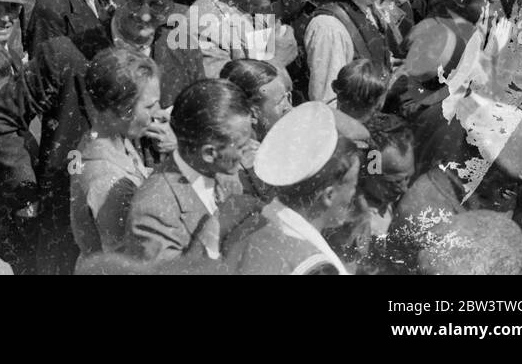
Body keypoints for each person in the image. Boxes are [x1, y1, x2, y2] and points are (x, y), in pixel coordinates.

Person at [122, 78, 251, 267]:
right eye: (241, 146)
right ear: (209, 153)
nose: (249, 150)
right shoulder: (153, 211)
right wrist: (213, 231)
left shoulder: (223, 169)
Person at [225, 102, 360, 275]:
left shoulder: (245, 223)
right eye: (353, 186)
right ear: (329, 195)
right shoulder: (316, 268)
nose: (354, 196)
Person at [70, 49, 165, 267]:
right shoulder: (107, 179)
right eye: (150, 106)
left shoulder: (106, 139)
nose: (158, 112)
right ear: (117, 110)